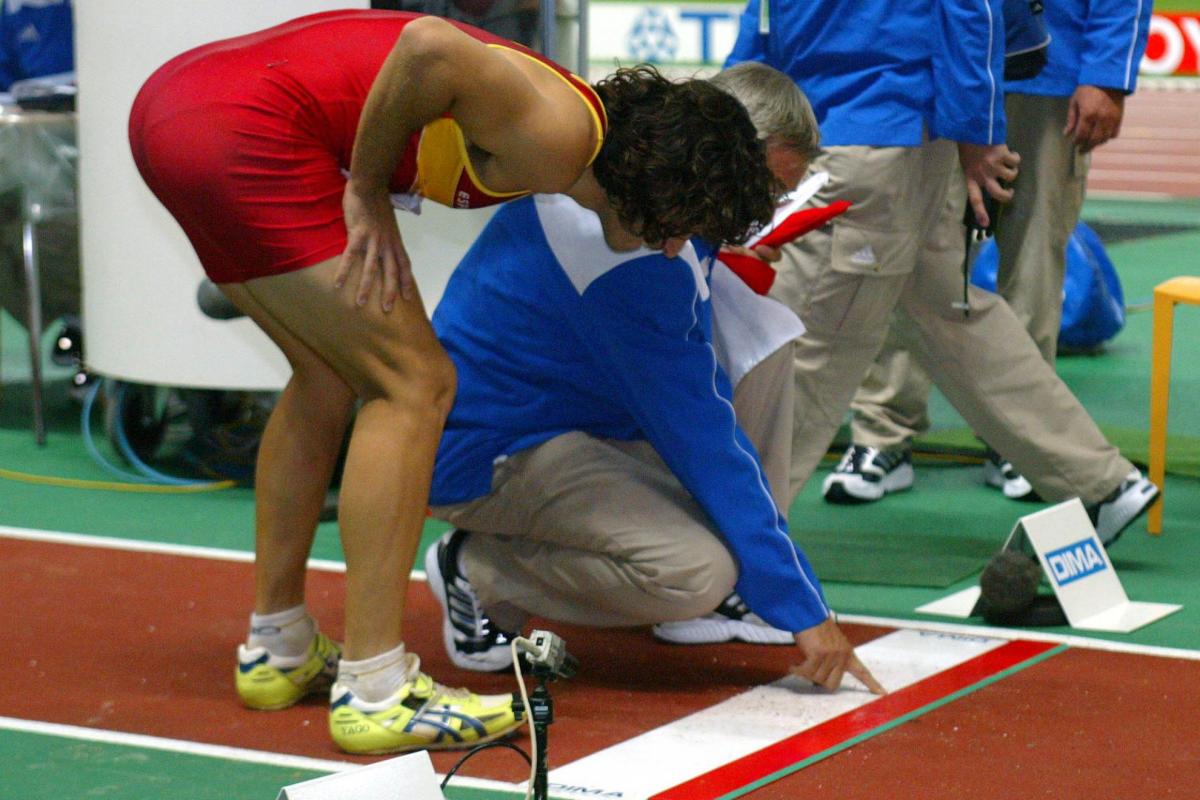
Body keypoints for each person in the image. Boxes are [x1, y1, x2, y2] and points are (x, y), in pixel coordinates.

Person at [128, 9, 780, 755]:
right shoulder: (563, 133)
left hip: (179, 111)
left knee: (326, 376)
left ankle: (277, 645)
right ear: (661, 185)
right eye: (683, 225)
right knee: (417, 384)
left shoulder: (568, 140)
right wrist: (366, 189)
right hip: (243, 126)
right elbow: (427, 45)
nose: (671, 249)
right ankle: (377, 688)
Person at [419, 61, 884, 695]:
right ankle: (479, 571)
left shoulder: (636, 189)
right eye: (764, 192)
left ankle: (748, 571)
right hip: (490, 452)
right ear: (718, 160)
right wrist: (804, 608)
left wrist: (721, 243)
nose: (763, 214)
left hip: (564, 417)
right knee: (695, 572)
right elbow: (705, 440)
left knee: (765, 339)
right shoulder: (633, 261)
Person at [718, 0, 1157, 552]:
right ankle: (1101, 483)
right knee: (952, 318)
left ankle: (737, 544)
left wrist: (978, 129)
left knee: (808, 348)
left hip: (870, 137)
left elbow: (972, 9)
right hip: (872, 131)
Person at [826, 0, 1153, 506]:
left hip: (1050, 70)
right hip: (936, 68)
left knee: (1034, 263)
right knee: (910, 255)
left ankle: (1021, 443)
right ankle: (883, 431)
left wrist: (1107, 73)